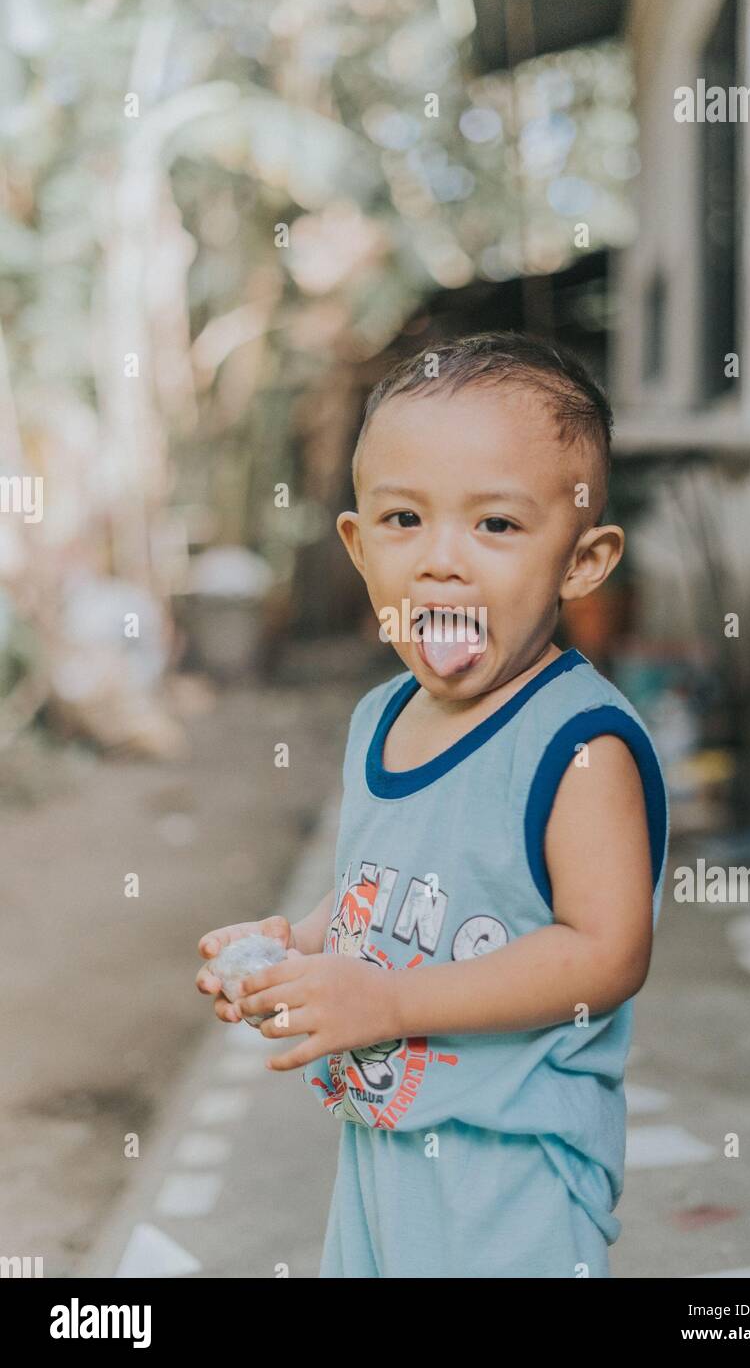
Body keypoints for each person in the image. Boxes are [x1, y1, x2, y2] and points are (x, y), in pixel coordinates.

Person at [196, 330, 669, 1278]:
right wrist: (297, 948)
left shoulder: (578, 746)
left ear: (583, 560)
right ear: (357, 544)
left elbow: (605, 955)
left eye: (495, 525)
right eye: (404, 520)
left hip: (512, 1172)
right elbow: (393, 887)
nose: (441, 563)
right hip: (384, 1149)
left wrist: (391, 1000)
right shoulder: (382, 718)